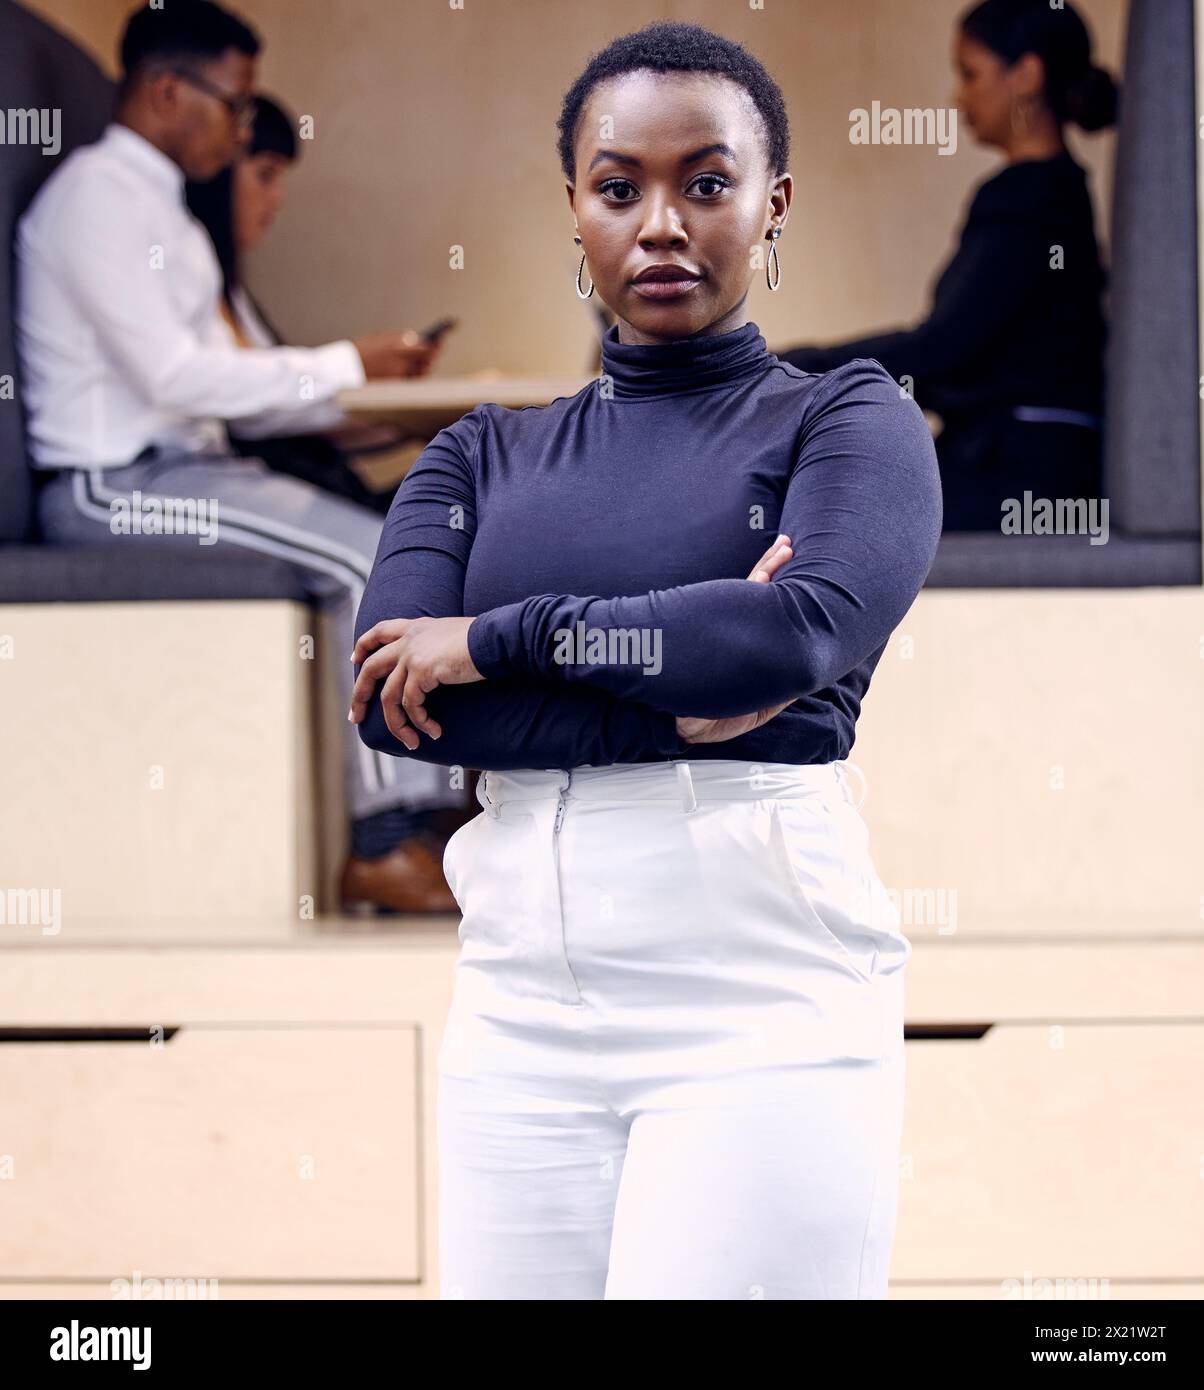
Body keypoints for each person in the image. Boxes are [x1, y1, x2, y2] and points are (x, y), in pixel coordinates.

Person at [348, 21, 942, 1298]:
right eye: (619, 187)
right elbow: (400, 714)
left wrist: (494, 644)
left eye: (706, 183)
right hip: (517, 1019)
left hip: (762, 1013)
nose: (660, 221)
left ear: (771, 203)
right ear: (574, 208)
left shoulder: (850, 420)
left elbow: (789, 633)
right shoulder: (472, 457)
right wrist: (687, 696)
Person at [16, 0, 461, 913]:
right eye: (234, 101)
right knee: (365, 560)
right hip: (113, 486)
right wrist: (345, 365)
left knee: (398, 541)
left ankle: (436, 815)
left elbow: (229, 387)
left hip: (183, 469)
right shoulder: (97, 198)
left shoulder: (166, 218)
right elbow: (179, 380)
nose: (242, 124)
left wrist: (382, 403)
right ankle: (385, 843)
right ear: (168, 91)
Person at [780, 0, 1117, 531]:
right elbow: (961, 357)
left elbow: (941, 350)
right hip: (1029, 464)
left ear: (1026, 74)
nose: (958, 98)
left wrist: (788, 369)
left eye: (970, 74)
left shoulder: (1030, 197)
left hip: (1017, 475)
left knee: (805, 516)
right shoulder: (1057, 192)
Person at [185, 93, 410, 514]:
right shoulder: (197, 288)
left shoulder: (234, 294)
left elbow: (295, 417)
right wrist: (353, 361)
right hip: (279, 487)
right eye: (265, 175)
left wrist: (423, 412)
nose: (278, 198)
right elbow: (251, 413)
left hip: (319, 477)